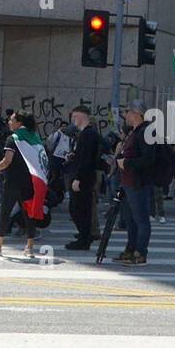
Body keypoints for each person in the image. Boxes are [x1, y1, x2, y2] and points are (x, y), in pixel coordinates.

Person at [0, 112, 45, 258]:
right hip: (30, 181)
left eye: (11, 120)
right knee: (29, 214)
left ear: (19, 122)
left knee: (5, 213)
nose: (9, 122)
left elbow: (7, 160)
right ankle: (29, 248)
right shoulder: (35, 138)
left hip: (12, 182)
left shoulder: (13, 139)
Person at [113, 100, 156, 267]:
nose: (125, 114)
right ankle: (130, 250)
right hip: (128, 182)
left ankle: (140, 253)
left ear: (137, 113)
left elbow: (149, 159)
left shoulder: (147, 131)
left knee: (141, 219)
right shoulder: (135, 131)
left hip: (139, 182)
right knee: (130, 219)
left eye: (127, 111)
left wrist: (127, 163)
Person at [65, 105, 102, 250]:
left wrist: (78, 178)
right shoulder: (85, 134)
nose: (73, 120)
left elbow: (87, 159)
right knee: (78, 208)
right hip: (82, 176)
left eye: (75, 117)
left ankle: (84, 238)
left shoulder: (88, 134)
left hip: (83, 178)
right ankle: (83, 236)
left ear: (82, 117)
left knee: (79, 209)